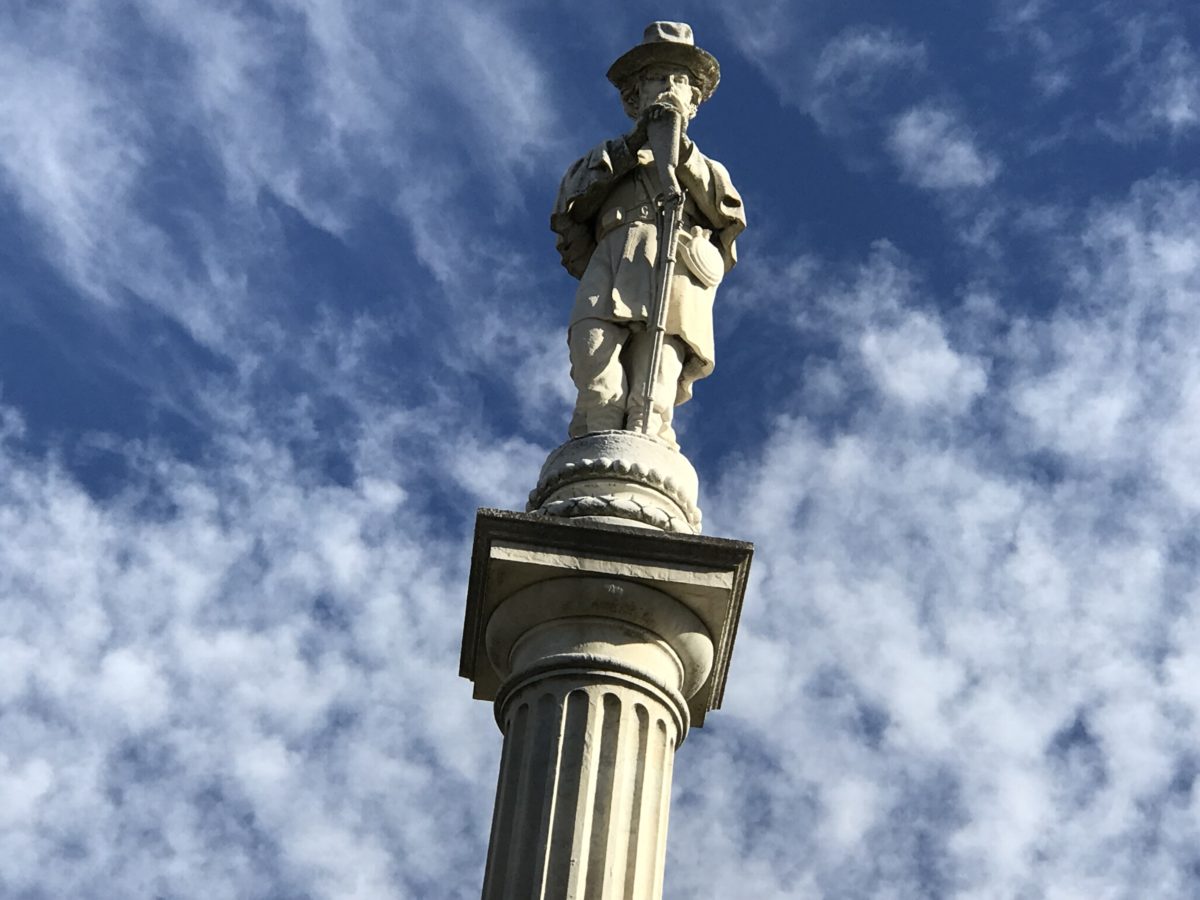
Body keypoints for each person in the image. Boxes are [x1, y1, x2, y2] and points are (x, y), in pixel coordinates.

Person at [551, 22, 746, 449]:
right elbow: (571, 208)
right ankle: (597, 440)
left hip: (676, 260)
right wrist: (639, 142)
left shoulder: (707, 168)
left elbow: (726, 213)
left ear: (693, 101)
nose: (669, 87)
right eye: (658, 77)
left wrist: (676, 154)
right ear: (634, 95)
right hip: (614, 253)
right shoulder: (604, 157)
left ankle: (645, 448)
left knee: (654, 381)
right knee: (592, 355)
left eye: (680, 80)